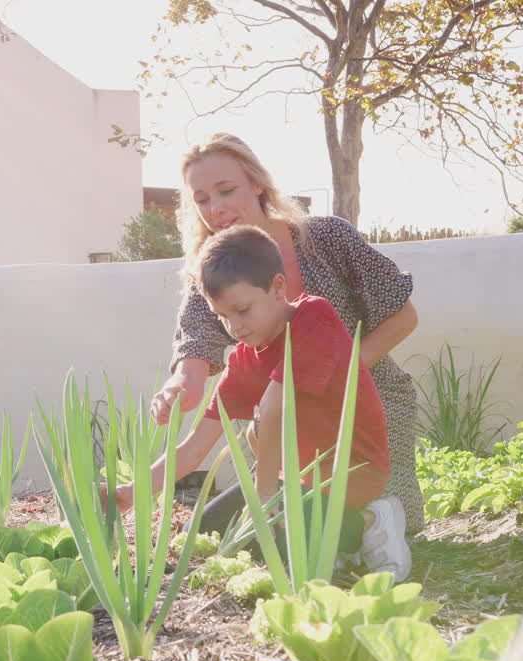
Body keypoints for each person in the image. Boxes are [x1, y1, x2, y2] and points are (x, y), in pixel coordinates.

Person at [151, 132, 425, 566]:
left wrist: (334, 377)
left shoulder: (326, 239)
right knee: (224, 536)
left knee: (388, 524)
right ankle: (320, 529)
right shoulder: (212, 267)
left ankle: (364, 524)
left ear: (257, 184)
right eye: (201, 199)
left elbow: (403, 317)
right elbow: (197, 347)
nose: (215, 208)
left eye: (227, 191)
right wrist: (180, 383)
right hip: (289, 426)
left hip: (367, 402)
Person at [114, 225, 410, 579]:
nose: (234, 327)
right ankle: (330, 539)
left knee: (278, 532)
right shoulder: (242, 360)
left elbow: (275, 408)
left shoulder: (314, 317)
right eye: (222, 316)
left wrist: (263, 500)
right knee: (200, 533)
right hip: (296, 482)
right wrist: (131, 493)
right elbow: (193, 450)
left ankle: (369, 521)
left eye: (242, 310)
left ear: (278, 287)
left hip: (353, 471)